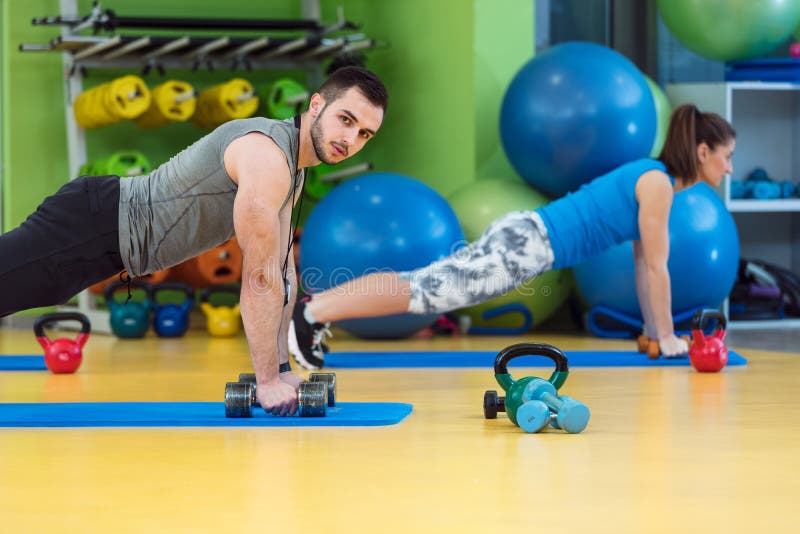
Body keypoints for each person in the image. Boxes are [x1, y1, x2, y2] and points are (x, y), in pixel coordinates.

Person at [0, 66, 388, 416]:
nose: (350, 139)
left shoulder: (293, 169)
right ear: (317, 104)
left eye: (364, 133)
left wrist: (282, 370)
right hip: (93, 225)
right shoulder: (267, 158)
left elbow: (284, 271)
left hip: (107, 244)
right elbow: (259, 277)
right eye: (345, 119)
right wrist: (266, 382)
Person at [289, 104, 736, 369]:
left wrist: (657, 333)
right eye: (727, 156)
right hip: (528, 245)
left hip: (526, 239)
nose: (730, 168)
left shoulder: (652, 178)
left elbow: (644, 265)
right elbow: (657, 267)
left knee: (424, 286)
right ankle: (315, 311)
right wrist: (671, 338)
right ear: (702, 152)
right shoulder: (657, 184)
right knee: (423, 291)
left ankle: (315, 311)